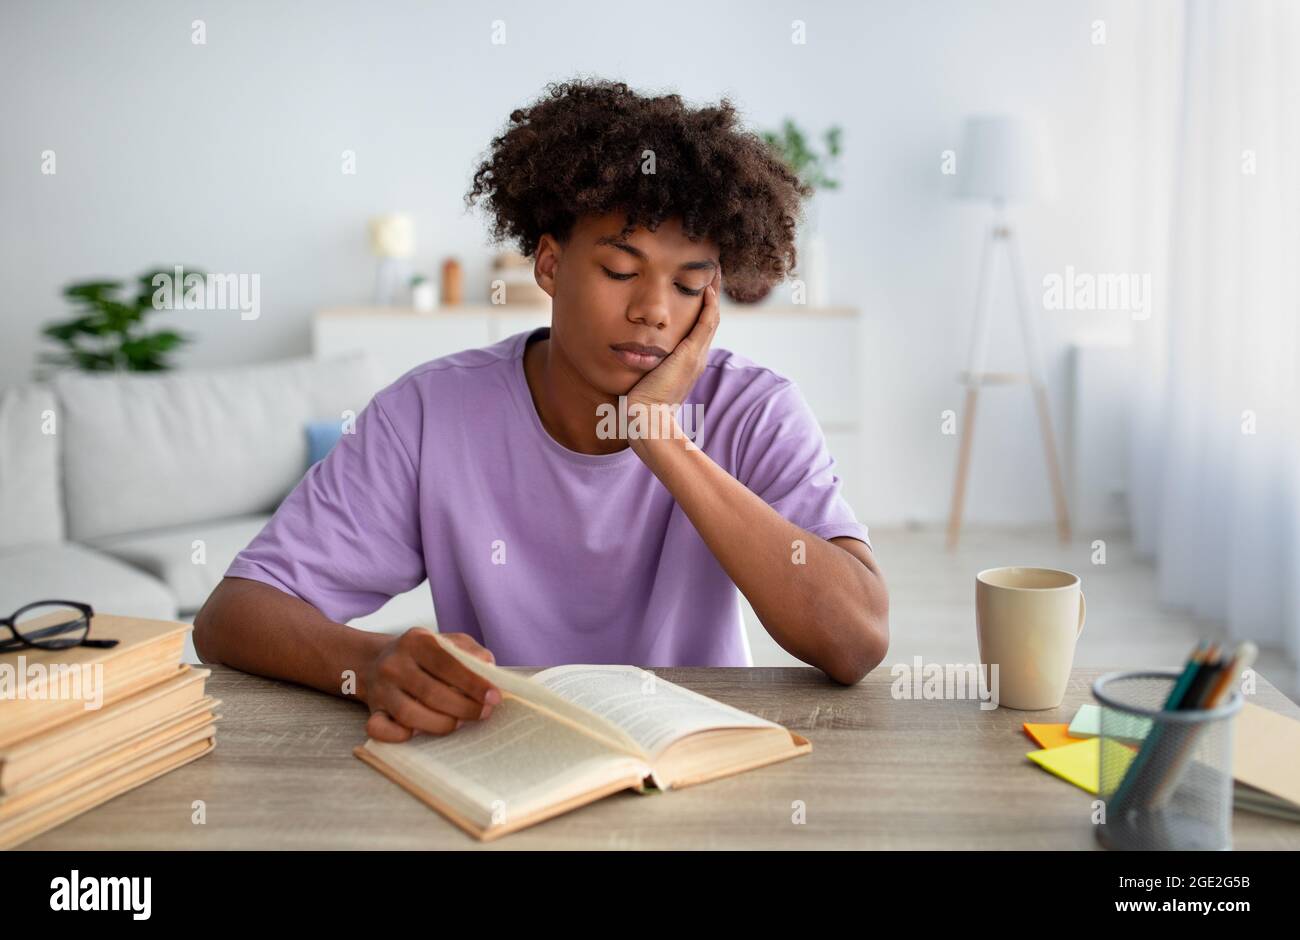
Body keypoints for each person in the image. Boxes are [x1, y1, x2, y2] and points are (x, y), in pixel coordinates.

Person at [193, 77, 889, 744]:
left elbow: (855, 640)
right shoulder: (431, 413)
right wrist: (368, 663)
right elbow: (232, 617)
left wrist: (660, 439)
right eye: (621, 271)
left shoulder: (755, 410)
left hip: (694, 757)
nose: (652, 310)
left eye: (687, 285)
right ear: (550, 266)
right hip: (502, 753)